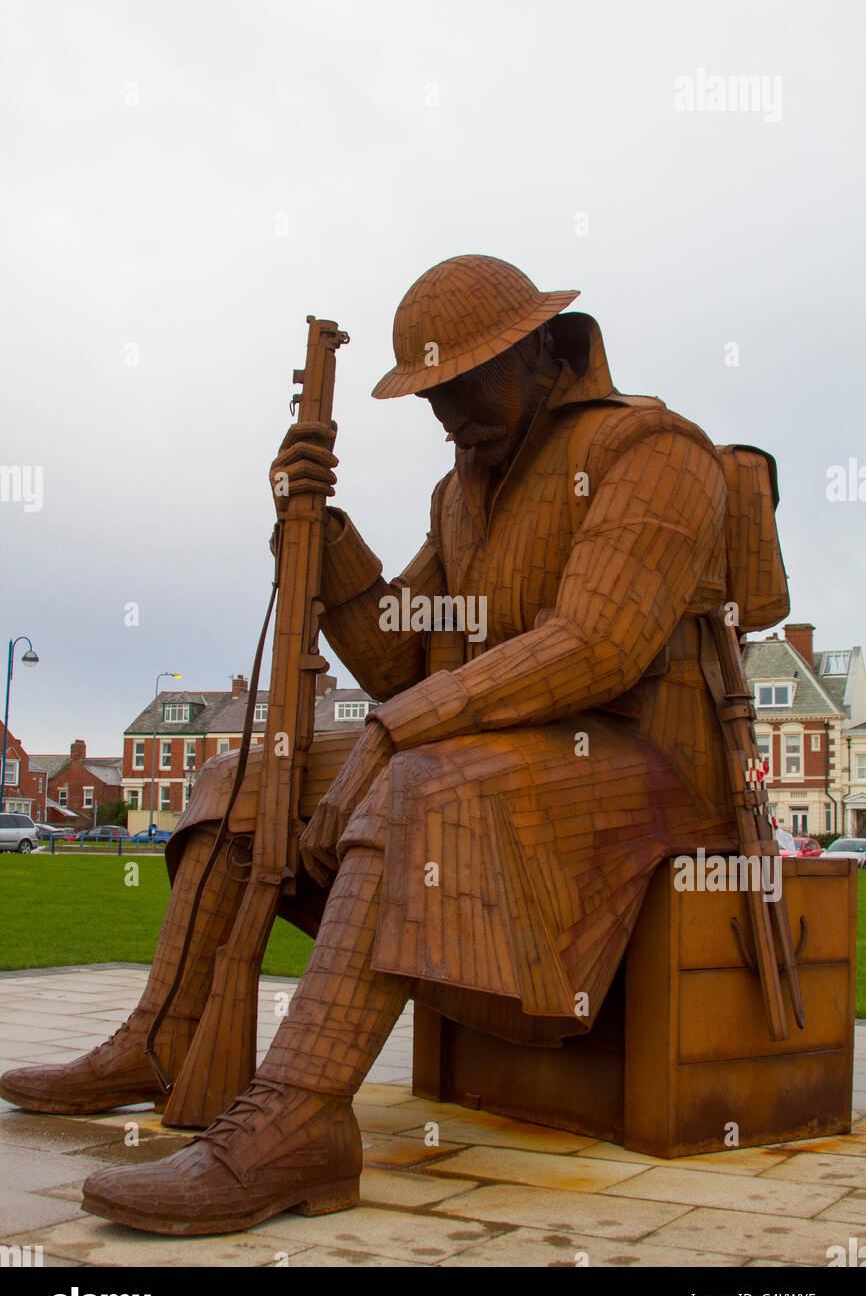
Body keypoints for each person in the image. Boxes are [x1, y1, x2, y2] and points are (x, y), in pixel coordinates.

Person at [2, 254, 772, 1234]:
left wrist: (397, 729)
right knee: (244, 773)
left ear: (541, 350)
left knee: (421, 784)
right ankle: (161, 1037)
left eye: (464, 380)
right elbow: (399, 656)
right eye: (430, 392)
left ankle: (296, 1121)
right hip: (499, 752)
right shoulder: (462, 493)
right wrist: (324, 536)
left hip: (642, 771)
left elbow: (598, 645)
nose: (447, 410)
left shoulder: (651, 449)